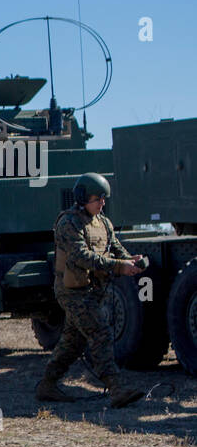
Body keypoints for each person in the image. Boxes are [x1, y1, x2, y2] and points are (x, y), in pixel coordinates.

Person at [37, 173, 146, 407]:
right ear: (83, 198)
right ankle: (116, 389)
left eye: (104, 199)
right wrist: (119, 267)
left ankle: (47, 384)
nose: (102, 203)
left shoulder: (103, 222)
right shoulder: (68, 223)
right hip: (72, 291)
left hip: (92, 290)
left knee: (73, 341)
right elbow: (81, 256)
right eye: (97, 198)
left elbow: (115, 248)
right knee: (100, 332)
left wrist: (131, 261)